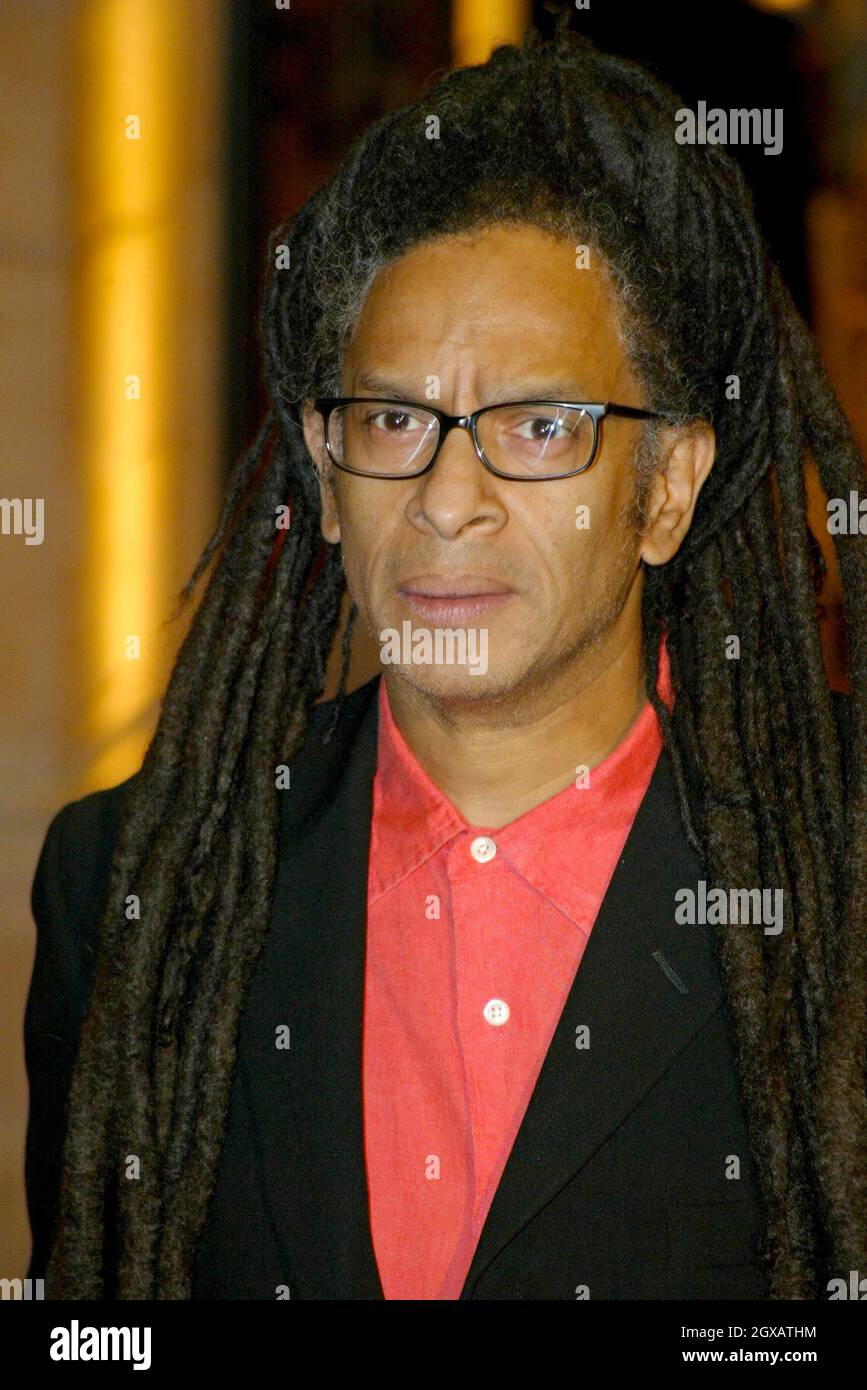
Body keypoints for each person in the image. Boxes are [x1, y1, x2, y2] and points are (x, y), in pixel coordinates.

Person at [24, 17, 865, 1301]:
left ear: (666, 489)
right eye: (395, 419)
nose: (448, 494)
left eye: (538, 425)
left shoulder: (836, 874)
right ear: (325, 463)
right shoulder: (139, 890)